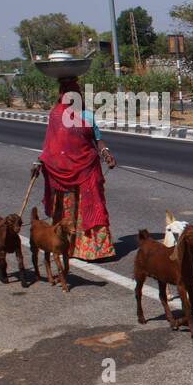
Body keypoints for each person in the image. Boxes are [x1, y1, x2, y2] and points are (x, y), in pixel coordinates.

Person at [30, 76, 116, 261]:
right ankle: (65, 247)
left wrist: (106, 153)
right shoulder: (56, 116)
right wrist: (40, 161)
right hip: (63, 171)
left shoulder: (87, 116)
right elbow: (51, 145)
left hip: (88, 170)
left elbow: (97, 139)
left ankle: (93, 250)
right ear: (62, 95)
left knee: (92, 206)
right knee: (67, 209)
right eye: (68, 92)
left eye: (76, 92)